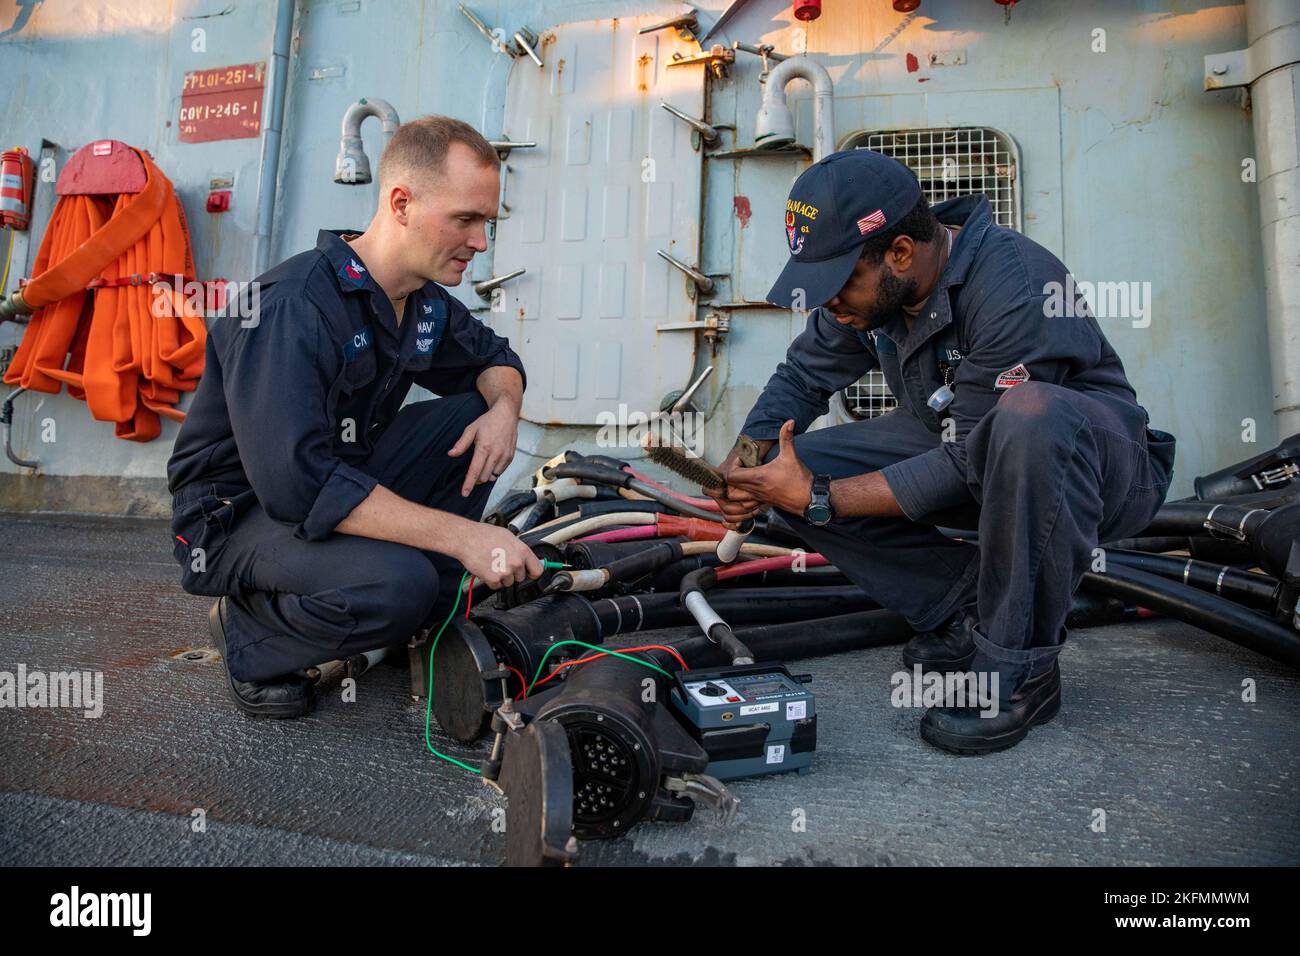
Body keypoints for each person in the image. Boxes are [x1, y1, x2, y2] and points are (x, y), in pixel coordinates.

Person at [705, 149, 1175, 754]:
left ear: (900, 252)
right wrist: (748, 460)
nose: (827, 303)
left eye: (838, 282)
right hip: (965, 444)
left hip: (1088, 470)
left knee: (1030, 414)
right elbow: (802, 377)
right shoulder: (870, 295)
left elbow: (971, 461)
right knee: (787, 473)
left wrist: (822, 499)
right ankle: (970, 609)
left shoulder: (1014, 283)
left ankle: (1021, 669)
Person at [167, 116, 541, 718]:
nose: (480, 242)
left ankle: (424, 625)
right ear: (401, 203)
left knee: (471, 413)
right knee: (396, 584)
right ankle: (254, 637)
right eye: (466, 220)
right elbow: (298, 487)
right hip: (237, 516)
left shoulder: (419, 303)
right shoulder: (292, 307)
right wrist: (466, 537)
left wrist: (505, 408)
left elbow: (496, 358)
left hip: (337, 474)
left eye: (486, 224)